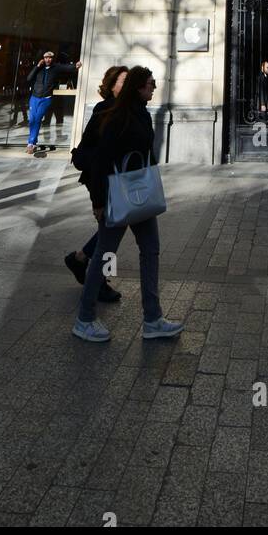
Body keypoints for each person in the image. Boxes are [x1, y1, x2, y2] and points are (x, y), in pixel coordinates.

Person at [72, 66, 183, 343]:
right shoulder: (116, 115)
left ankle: (153, 319)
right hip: (116, 195)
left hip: (139, 194)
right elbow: (100, 159)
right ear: (137, 87)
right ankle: (84, 319)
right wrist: (98, 200)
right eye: (150, 83)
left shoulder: (142, 113)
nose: (154, 87)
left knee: (151, 250)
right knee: (103, 254)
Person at [64, 64, 128, 301]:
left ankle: (80, 259)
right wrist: (98, 199)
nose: (129, 84)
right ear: (111, 87)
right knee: (111, 231)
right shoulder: (105, 110)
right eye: (123, 81)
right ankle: (95, 282)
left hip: (118, 180)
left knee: (113, 228)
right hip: (103, 179)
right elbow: (95, 155)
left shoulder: (127, 109)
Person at [25, 50, 82, 156]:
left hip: (46, 99)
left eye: (50, 57)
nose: (48, 59)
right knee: (32, 120)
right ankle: (33, 141)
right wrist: (37, 66)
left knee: (37, 119)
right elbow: (29, 78)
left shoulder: (56, 68)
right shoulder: (39, 68)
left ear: (52, 58)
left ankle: (31, 143)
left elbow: (66, 67)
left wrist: (76, 65)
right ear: (43, 58)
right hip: (34, 98)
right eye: (46, 57)